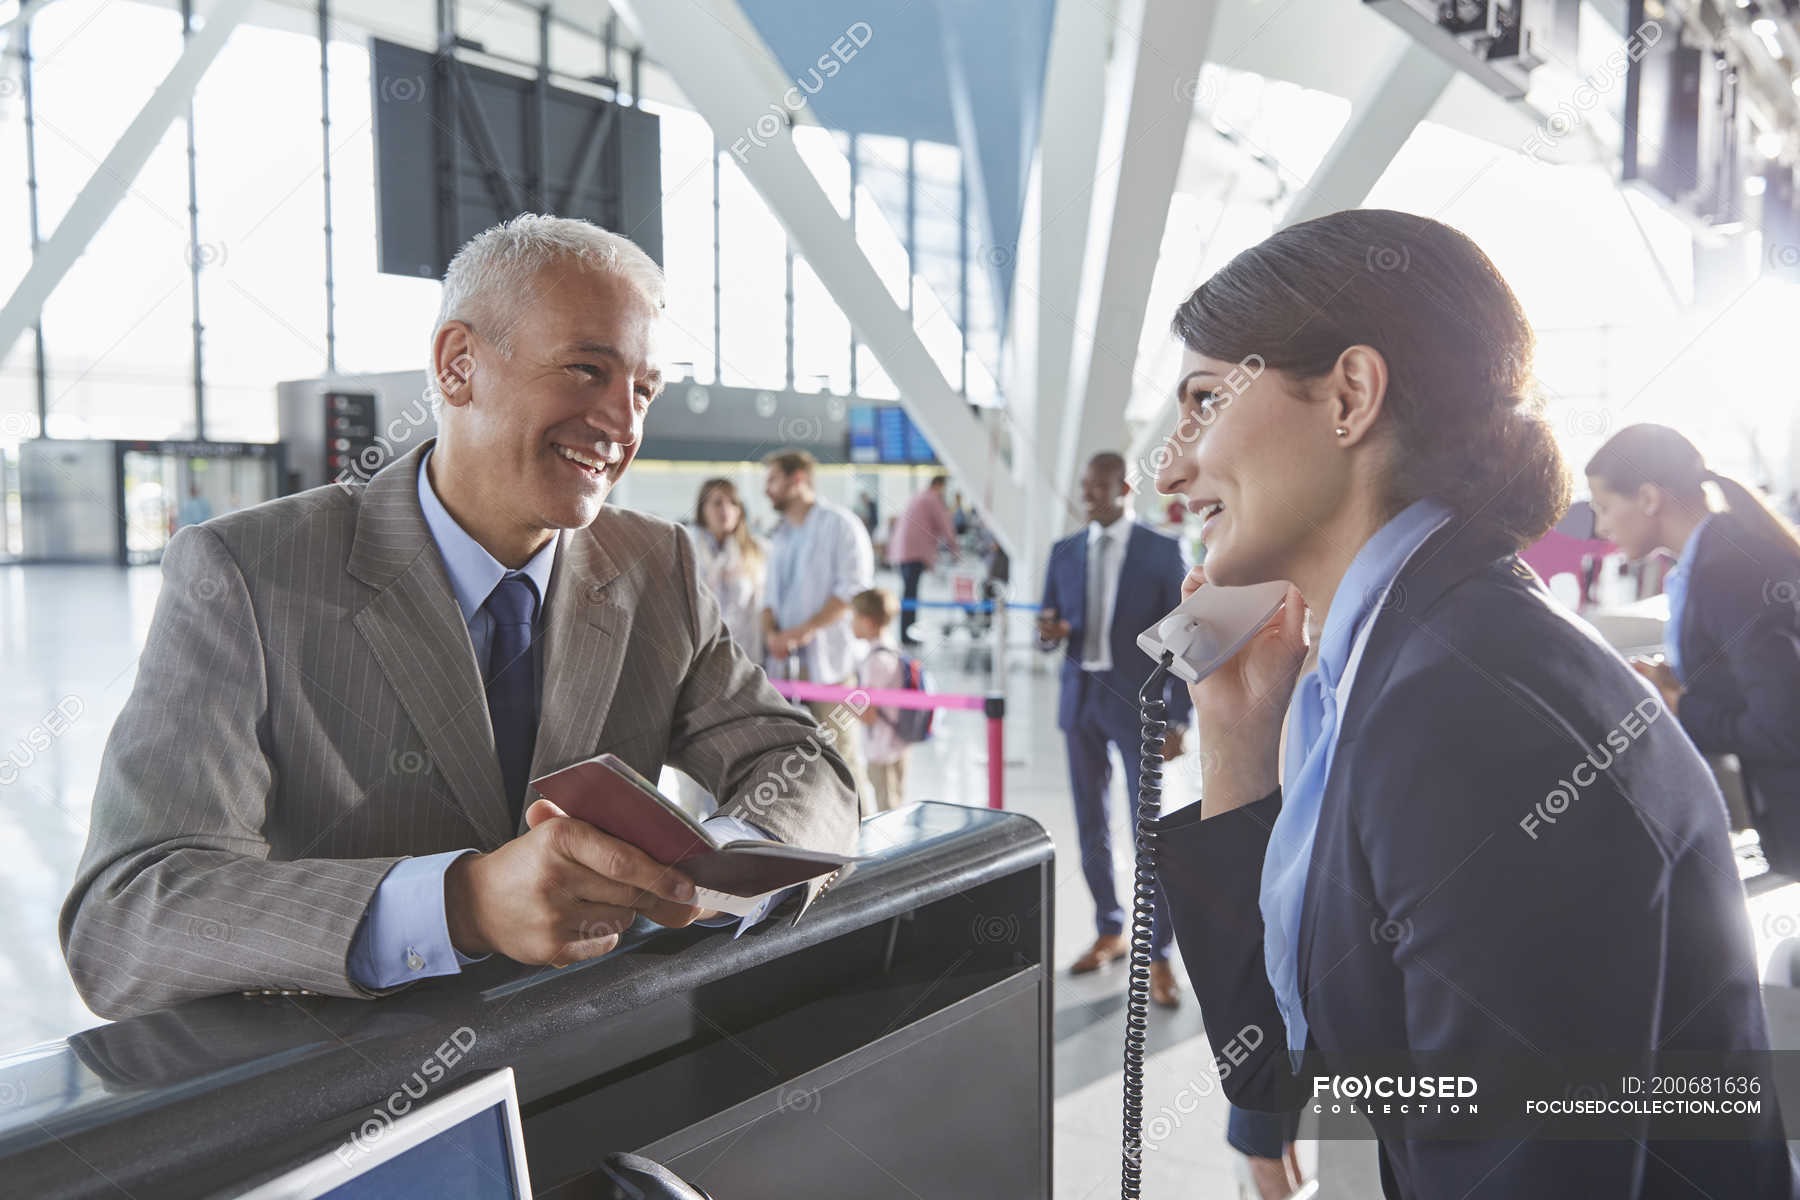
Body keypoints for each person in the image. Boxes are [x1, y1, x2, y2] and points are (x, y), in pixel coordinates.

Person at [61, 215, 859, 1018]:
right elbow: (126, 917)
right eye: (587, 369)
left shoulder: (658, 568)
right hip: (359, 1103)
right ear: (458, 365)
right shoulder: (250, 575)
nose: (624, 425)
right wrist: (459, 904)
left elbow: (802, 764)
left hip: (605, 1066)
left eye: (644, 390)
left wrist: (708, 866)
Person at [1149, 208, 1793, 1196]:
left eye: (1204, 401)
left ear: (1350, 396)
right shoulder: (1387, 670)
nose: (1174, 466)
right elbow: (1306, 1035)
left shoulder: (1470, 723)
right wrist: (1237, 736)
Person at [1586, 423, 1800, 877]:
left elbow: (1787, 727)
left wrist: (1680, 707)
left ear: (1648, 498)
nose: (1601, 527)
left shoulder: (1727, 574)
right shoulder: (1725, 556)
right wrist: (1683, 685)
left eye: (1604, 508)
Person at [1037, 451, 1191, 1008]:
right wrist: (1049, 632)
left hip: (1140, 705)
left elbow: (1183, 636)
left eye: (1098, 485)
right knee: (1089, 822)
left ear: (1124, 486)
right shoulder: (1064, 551)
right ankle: (1109, 926)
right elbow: (1047, 629)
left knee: (1150, 830)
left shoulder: (1160, 549)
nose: (1088, 495)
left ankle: (1160, 955)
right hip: (1080, 703)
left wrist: (1178, 716)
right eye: (1084, 485)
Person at [761, 448, 876, 805]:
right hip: (785, 669)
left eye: (773, 480)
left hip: (832, 666)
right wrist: (772, 635)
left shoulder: (840, 525)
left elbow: (852, 591)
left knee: (844, 757)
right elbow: (767, 599)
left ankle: (866, 835)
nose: (768, 490)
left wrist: (801, 632)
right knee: (793, 761)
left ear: (798, 480)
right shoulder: (778, 535)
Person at [687, 477, 767, 662]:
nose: (726, 510)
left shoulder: (756, 550)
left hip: (744, 652)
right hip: (699, 652)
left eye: (733, 503)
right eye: (717, 503)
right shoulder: (686, 544)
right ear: (702, 509)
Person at [850, 587, 911, 816]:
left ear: (867, 622)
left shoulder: (874, 662)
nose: (851, 624)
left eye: (853, 618)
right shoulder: (893, 647)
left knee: (888, 810)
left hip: (881, 748)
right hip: (899, 742)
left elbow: (868, 714)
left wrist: (849, 703)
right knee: (896, 800)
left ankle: (893, 851)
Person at [887, 473, 960, 646]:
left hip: (903, 551)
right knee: (910, 595)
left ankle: (907, 634)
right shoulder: (932, 498)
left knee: (908, 593)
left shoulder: (919, 496)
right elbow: (945, 524)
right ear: (939, 485)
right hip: (913, 552)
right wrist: (955, 548)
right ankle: (908, 636)